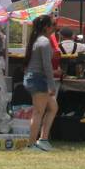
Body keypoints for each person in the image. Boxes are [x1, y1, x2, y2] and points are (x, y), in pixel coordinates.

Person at [23, 15, 58, 152]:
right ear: (46, 27)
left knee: (53, 107)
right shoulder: (43, 42)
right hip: (38, 79)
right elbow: (47, 66)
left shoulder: (38, 40)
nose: (55, 27)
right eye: (53, 25)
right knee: (38, 112)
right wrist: (52, 85)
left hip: (35, 78)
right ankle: (31, 145)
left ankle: (43, 140)